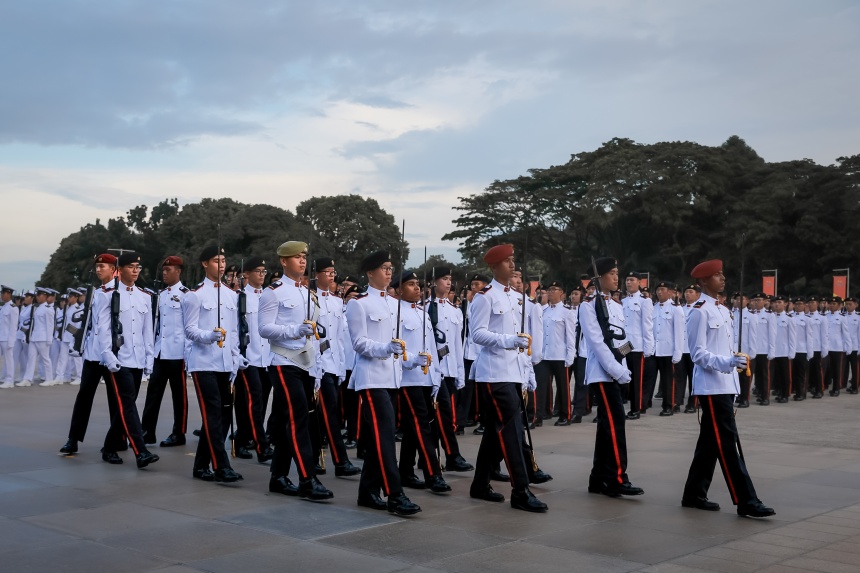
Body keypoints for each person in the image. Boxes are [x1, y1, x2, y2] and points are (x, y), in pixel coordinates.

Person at [681, 259, 775, 518]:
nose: (722, 278)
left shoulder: (722, 310)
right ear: (703, 282)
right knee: (727, 444)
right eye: (716, 275)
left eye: (722, 274)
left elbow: (721, 346)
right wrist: (726, 362)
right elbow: (698, 353)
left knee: (710, 444)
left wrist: (734, 359)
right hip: (711, 387)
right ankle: (746, 499)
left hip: (725, 384)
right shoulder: (699, 311)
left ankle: (693, 493)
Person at [468, 244, 548, 513]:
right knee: (512, 430)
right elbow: (477, 334)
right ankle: (520, 490)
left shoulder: (517, 298)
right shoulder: (485, 297)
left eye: (513, 260)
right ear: (493, 266)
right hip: (494, 373)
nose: (512, 265)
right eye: (507, 261)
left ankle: (480, 484)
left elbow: (524, 339)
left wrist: (528, 371)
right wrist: (507, 341)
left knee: (495, 432)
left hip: (514, 372)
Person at [346, 250, 421, 515]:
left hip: (392, 378)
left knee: (383, 436)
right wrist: (386, 348)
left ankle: (368, 492)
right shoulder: (359, 303)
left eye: (391, 267)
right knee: (385, 438)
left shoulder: (395, 304)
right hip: (371, 379)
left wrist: (413, 359)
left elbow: (398, 346)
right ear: (370, 272)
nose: (389, 272)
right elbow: (359, 343)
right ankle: (395, 494)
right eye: (384, 268)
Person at [258, 241, 334, 501]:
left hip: (305, 363)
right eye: (295, 257)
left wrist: (317, 368)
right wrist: (293, 331)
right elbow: (264, 329)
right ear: (283, 261)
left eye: (304, 257)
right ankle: (306, 478)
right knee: (298, 419)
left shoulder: (308, 293)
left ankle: (278, 476)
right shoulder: (274, 292)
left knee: (283, 421)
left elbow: (314, 334)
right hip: (284, 362)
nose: (301, 261)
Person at [580, 257, 643, 498]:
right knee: (616, 424)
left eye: (618, 272)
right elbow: (596, 343)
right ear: (598, 278)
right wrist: (616, 370)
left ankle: (597, 479)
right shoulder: (588, 307)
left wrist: (623, 359)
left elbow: (624, 341)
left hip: (618, 373)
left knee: (607, 427)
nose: (617, 277)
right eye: (612, 273)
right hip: (603, 375)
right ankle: (617, 478)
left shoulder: (617, 306)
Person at [182, 245, 244, 483]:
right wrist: (210, 336)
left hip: (226, 363)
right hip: (204, 363)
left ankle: (200, 466)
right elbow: (189, 329)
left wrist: (236, 357)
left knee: (225, 416)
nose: (221, 265)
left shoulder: (231, 294)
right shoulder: (195, 295)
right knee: (212, 415)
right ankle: (221, 466)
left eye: (223, 260)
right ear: (205, 264)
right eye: (216, 260)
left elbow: (236, 331)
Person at [96, 252, 160, 468]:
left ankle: (109, 447)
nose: (135, 271)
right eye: (131, 266)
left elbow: (147, 331)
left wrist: (149, 358)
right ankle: (140, 451)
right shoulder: (108, 295)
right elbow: (103, 329)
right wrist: (108, 355)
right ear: (120, 269)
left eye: (138, 267)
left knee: (126, 405)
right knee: (128, 405)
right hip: (118, 358)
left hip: (137, 358)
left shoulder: (145, 296)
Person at [393, 270, 451, 494]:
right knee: (421, 426)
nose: (417, 288)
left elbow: (431, 349)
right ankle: (432, 474)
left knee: (412, 428)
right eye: (410, 284)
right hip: (408, 378)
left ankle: (406, 471)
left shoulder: (423, 313)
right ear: (398, 290)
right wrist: (410, 362)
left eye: (418, 284)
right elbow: (397, 348)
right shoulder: (396, 313)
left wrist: (436, 375)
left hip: (426, 378)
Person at [311, 256, 360, 476]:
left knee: (331, 414)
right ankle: (318, 459)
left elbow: (339, 338)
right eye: (327, 271)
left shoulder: (336, 302)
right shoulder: (308, 299)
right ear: (316, 275)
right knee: (313, 414)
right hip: (313, 365)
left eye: (333, 271)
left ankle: (339, 461)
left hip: (331, 365)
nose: (331, 275)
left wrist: (340, 367)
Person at [141, 256, 190, 448]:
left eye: (168, 270)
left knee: (179, 396)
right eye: (163, 270)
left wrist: (188, 354)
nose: (164, 273)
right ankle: (147, 431)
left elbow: (188, 326)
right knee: (153, 393)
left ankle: (179, 433)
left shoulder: (187, 295)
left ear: (178, 271)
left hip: (178, 353)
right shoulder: (160, 295)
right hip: (161, 351)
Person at [428, 267, 473, 471]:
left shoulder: (455, 311)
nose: (448, 282)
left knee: (445, 416)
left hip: (449, 370)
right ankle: (451, 455)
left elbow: (458, 345)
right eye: (443, 279)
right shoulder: (426, 309)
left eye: (449, 279)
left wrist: (459, 373)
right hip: (432, 371)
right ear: (433, 282)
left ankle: (446, 456)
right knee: (438, 416)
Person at [232, 256, 275, 463]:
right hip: (248, 357)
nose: (261, 275)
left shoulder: (269, 296)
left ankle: (241, 440)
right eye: (257, 271)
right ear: (246, 274)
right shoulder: (239, 297)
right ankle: (261, 446)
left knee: (253, 403)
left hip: (267, 357)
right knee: (253, 401)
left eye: (263, 271)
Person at [537, 281, 576, 425]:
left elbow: (570, 336)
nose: (551, 292)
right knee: (540, 386)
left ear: (562, 293)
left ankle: (565, 415)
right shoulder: (544, 311)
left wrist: (570, 356)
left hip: (560, 355)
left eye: (554, 289)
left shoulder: (567, 312)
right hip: (544, 355)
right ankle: (538, 416)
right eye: (549, 289)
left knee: (562, 387)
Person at [621, 272, 654, 419]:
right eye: (627, 280)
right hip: (624, 345)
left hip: (637, 345)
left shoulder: (644, 301)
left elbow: (647, 326)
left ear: (639, 283)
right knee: (624, 376)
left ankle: (636, 408)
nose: (628, 282)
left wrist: (648, 347)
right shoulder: (623, 301)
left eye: (632, 280)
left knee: (636, 379)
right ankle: (629, 404)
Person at [652, 281, 685, 416]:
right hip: (656, 350)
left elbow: (679, 332)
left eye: (663, 289)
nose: (659, 292)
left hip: (668, 350)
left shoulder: (676, 309)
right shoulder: (654, 307)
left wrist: (678, 352)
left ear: (671, 292)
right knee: (655, 380)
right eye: (658, 289)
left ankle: (669, 405)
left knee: (668, 381)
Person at [20, 287, 54, 386]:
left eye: (39, 295)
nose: (37, 297)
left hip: (43, 338)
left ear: (45, 296)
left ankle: (49, 379)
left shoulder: (48, 309)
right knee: (31, 358)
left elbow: (50, 325)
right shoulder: (38, 308)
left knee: (45, 359)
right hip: (34, 337)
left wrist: (49, 340)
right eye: (37, 295)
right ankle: (27, 379)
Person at [768, 295, 796, 403]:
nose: (777, 304)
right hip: (773, 350)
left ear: (785, 304)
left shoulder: (789, 319)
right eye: (775, 302)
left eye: (779, 302)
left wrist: (792, 352)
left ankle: (785, 394)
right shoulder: (770, 317)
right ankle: (779, 392)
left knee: (785, 375)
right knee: (776, 375)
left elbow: (792, 337)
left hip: (784, 351)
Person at [825, 296, 851, 396]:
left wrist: (848, 347)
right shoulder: (825, 316)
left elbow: (846, 334)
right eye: (830, 303)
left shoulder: (842, 318)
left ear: (839, 306)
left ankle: (836, 388)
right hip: (826, 347)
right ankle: (824, 385)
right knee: (826, 368)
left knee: (837, 369)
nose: (831, 305)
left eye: (834, 304)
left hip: (837, 347)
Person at [0, 285, 20, 388]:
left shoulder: (13, 308)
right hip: (1, 337)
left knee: (9, 360)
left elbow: (13, 326)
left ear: (9, 294)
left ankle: (9, 380)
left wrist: (11, 341)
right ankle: (4, 378)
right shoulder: (3, 307)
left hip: (7, 339)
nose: (1, 295)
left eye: (3, 293)